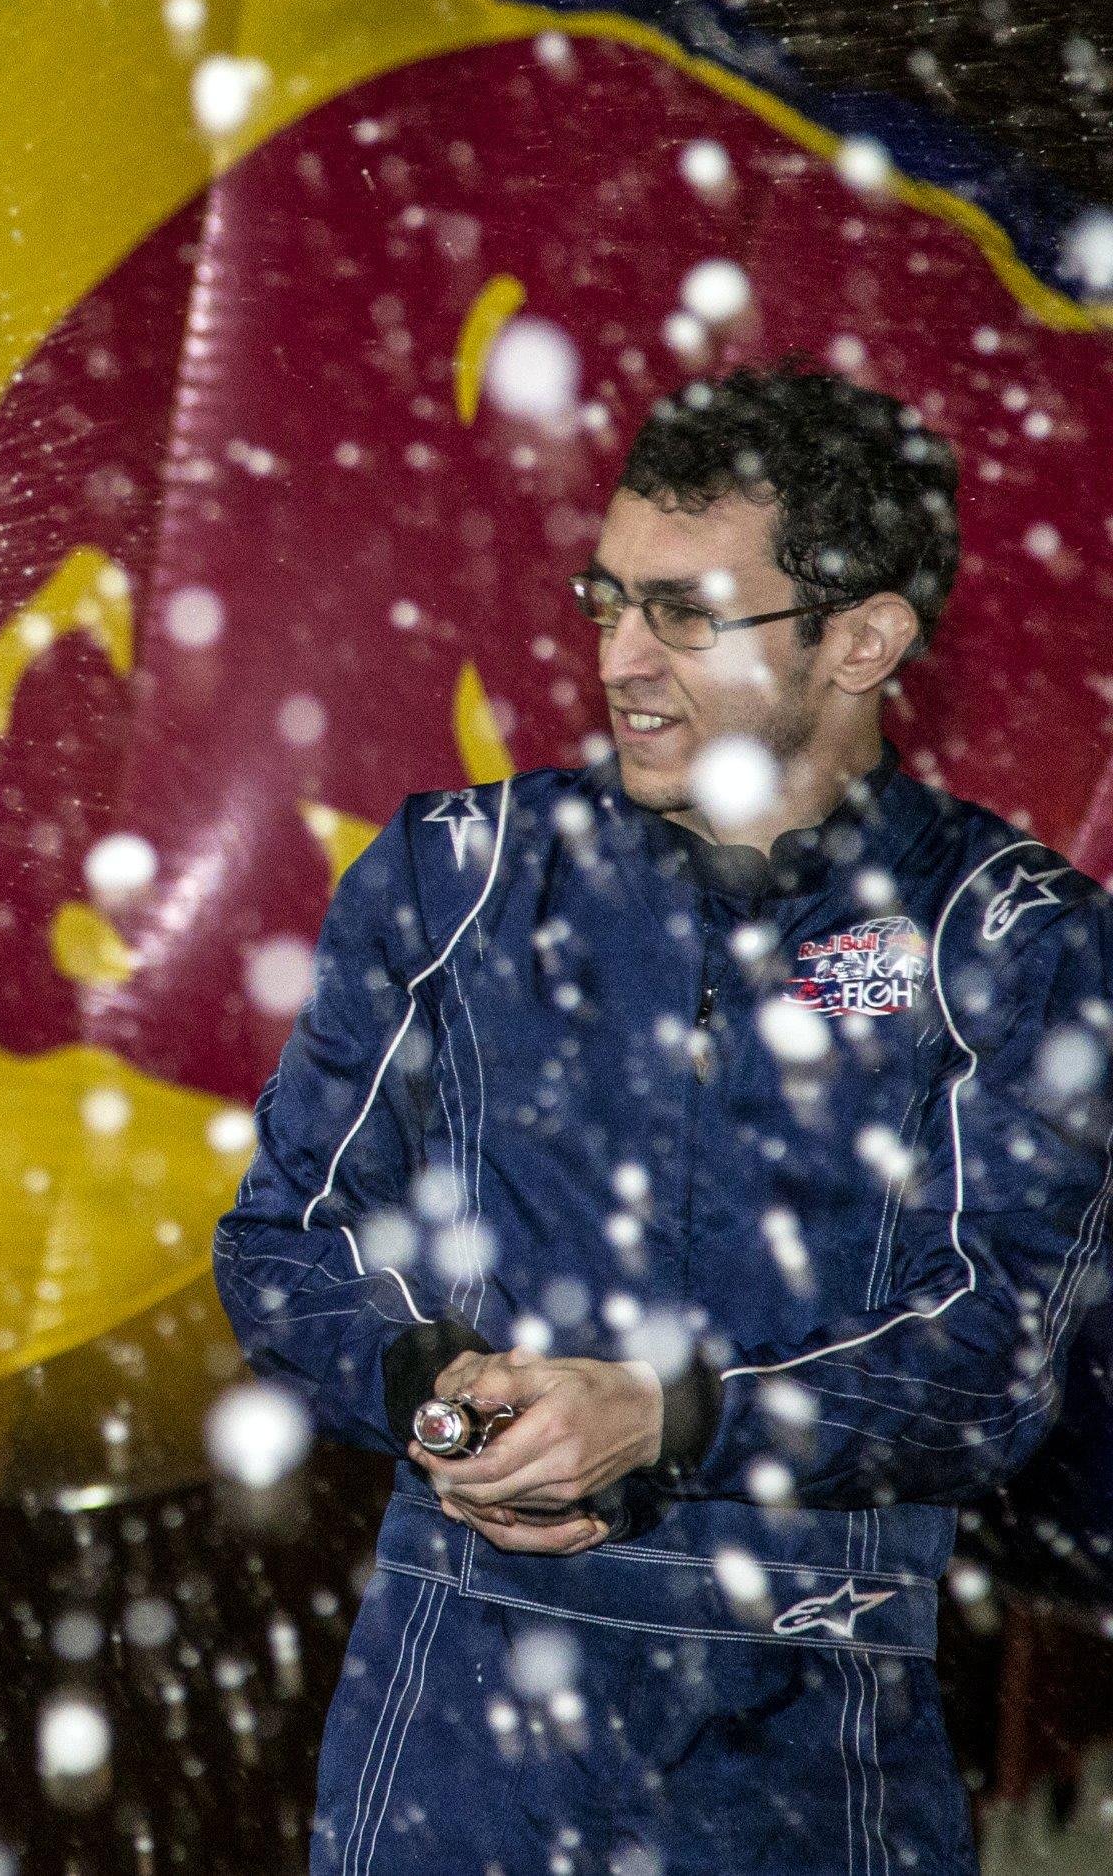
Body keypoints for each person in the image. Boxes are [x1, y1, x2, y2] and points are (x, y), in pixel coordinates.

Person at [216, 366, 1113, 1875]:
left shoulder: (1016, 939)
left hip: (810, 1734)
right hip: (457, 1712)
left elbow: (998, 1366)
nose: (620, 658)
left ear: (865, 638)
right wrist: (432, 1386)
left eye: (686, 614)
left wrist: (669, 1417)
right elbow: (283, 1243)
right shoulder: (458, 876)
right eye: (606, 597)